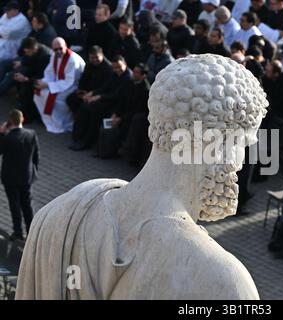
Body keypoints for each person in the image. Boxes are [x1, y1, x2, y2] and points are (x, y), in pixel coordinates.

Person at [16, 54, 267, 300]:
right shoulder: (224, 281)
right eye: (243, 144)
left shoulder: (57, 214)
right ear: (214, 141)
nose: (240, 163)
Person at [70, 55, 131, 151]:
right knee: (84, 106)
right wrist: (92, 93)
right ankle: (78, 137)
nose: (117, 69)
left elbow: (117, 95)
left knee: (94, 111)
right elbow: (105, 87)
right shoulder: (114, 74)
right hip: (108, 101)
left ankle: (87, 141)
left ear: (125, 64)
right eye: (114, 67)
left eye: (119, 67)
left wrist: (99, 97)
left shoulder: (127, 78)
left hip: (117, 106)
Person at [0, 109, 39, 241]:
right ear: (22, 119)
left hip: (10, 178)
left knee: (14, 205)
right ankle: (31, 232)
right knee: (28, 205)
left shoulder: (7, 138)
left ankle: (18, 232)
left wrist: (1, 133)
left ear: (10, 122)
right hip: (26, 177)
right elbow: (36, 157)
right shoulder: (31, 134)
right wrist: (33, 172)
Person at [33, 37, 86, 134]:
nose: (58, 51)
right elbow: (50, 73)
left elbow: (69, 82)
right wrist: (42, 82)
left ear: (66, 46)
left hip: (72, 86)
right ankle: (50, 122)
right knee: (38, 94)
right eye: (55, 49)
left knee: (55, 99)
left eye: (60, 48)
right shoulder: (54, 55)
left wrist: (48, 85)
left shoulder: (72, 60)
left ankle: (63, 124)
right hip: (58, 84)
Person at [67, 46, 113, 148]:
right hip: (88, 94)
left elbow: (106, 87)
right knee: (71, 99)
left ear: (102, 55)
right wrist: (82, 92)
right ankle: (77, 133)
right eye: (92, 58)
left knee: (86, 109)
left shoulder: (108, 68)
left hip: (101, 98)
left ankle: (86, 140)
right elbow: (83, 80)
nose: (94, 60)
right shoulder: (90, 65)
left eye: (96, 57)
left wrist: (92, 94)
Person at [13, 37, 52, 124]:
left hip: (45, 79)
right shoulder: (34, 52)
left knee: (29, 89)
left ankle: (28, 116)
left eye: (27, 52)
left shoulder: (45, 56)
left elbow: (42, 76)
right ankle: (22, 106)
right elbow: (28, 60)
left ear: (33, 49)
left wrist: (26, 79)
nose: (26, 54)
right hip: (35, 73)